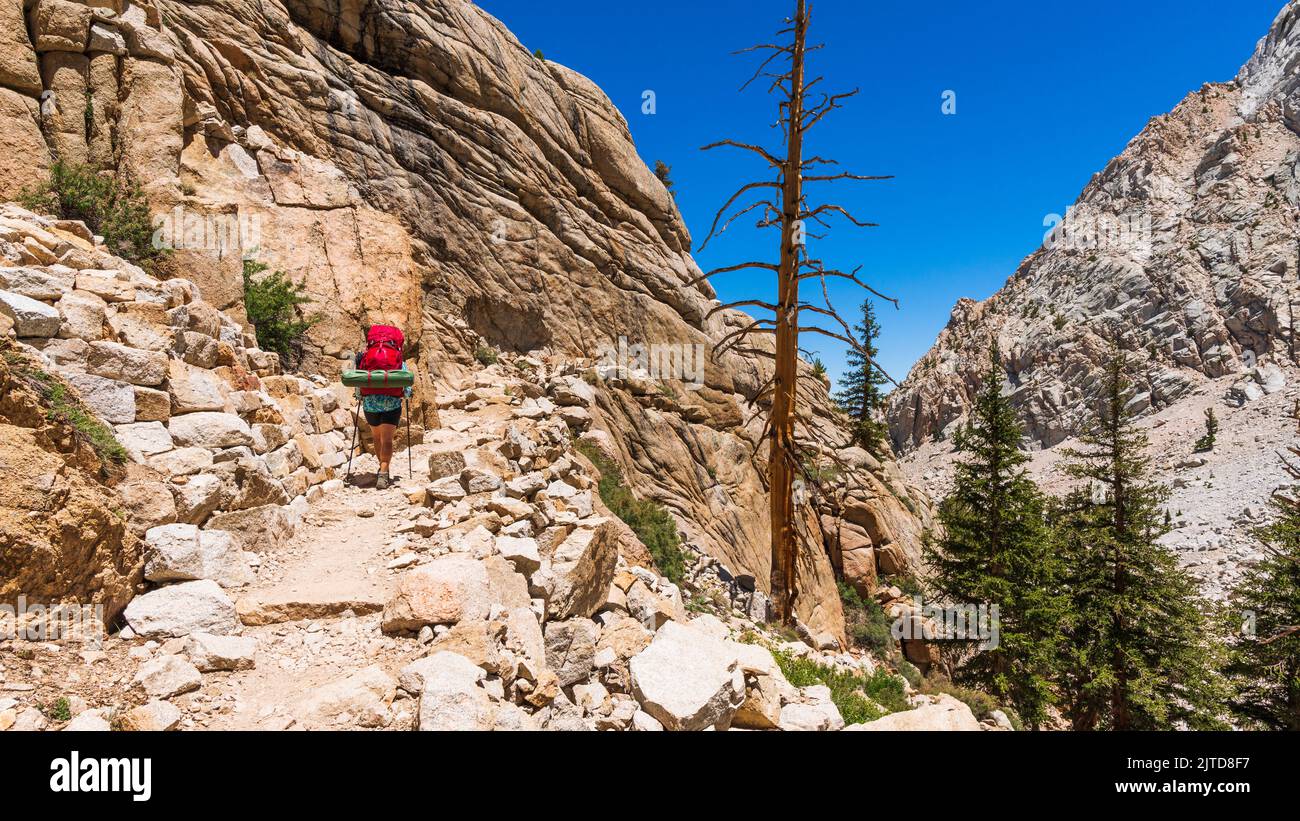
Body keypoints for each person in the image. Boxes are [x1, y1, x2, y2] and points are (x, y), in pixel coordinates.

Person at [354, 325, 411, 490]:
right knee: (387, 439)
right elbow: (406, 387)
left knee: (377, 437)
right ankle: (384, 472)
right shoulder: (398, 358)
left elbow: (359, 381)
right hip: (391, 403)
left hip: (370, 404)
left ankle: (382, 467)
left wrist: (359, 396)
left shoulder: (364, 357)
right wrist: (406, 395)